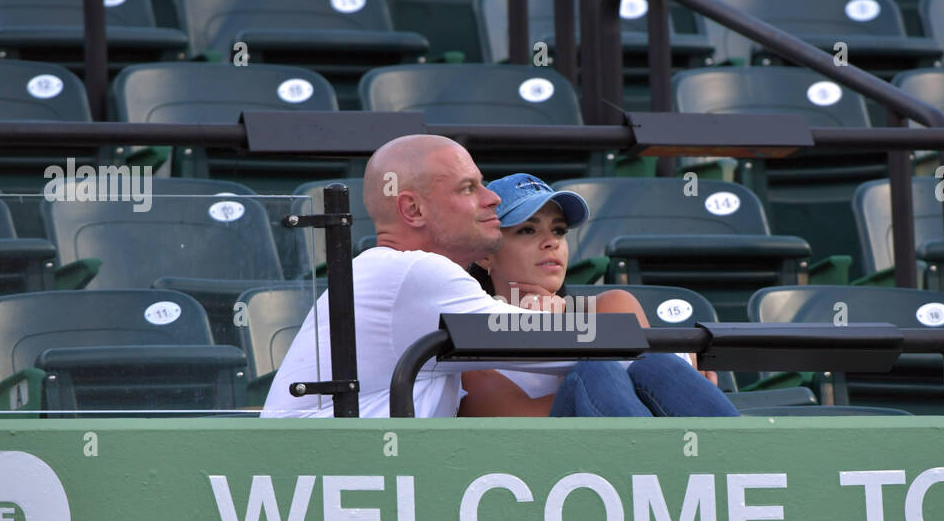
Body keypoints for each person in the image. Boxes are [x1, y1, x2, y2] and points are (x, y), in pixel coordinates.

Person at [260, 135, 738, 418]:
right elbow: (601, 347)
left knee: (641, 365)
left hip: (346, 481)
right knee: (606, 365)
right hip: (316, 490)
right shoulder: (413, 273)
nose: (490, 200)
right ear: (413, 208)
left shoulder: (402, 273)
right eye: (470, 188)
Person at [459, 173, 731, 417]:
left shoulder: (612, 306)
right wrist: (555, 336)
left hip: (650, 454)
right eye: (528, 230)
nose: (551, 242)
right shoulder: (469, 340)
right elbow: (527, 436)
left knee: (653, 363)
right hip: (563, 464)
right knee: (597, 370)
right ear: (485, 254)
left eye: (559, 230)